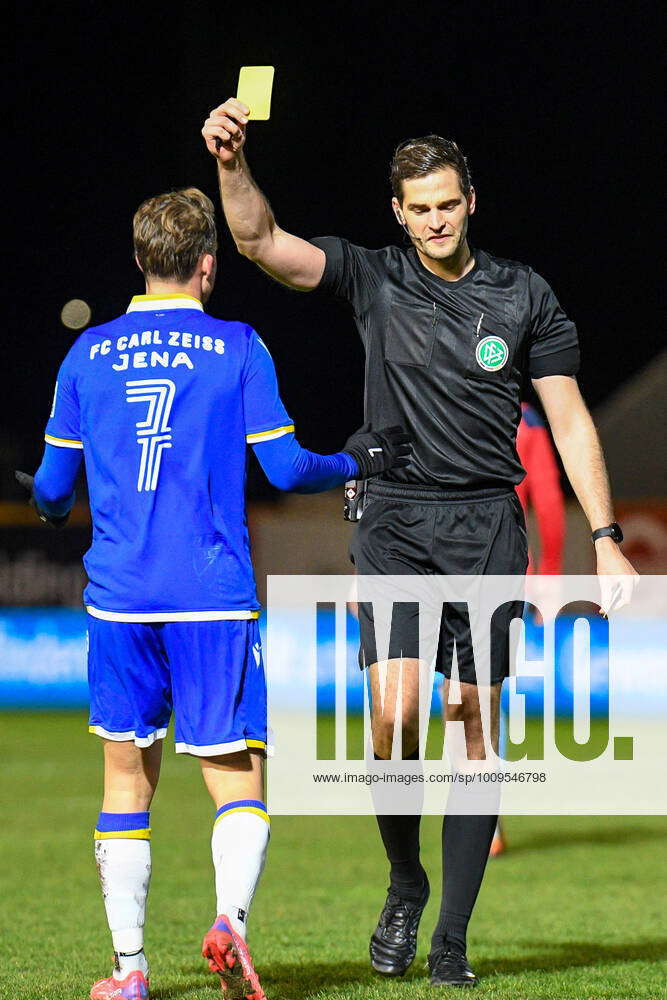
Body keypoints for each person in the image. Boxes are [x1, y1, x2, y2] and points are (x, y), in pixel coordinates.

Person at [201, 101, 638, 989]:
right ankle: (405, 878)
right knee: (395, 717)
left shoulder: (525, 295)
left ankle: (450, 941)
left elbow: (567, 420)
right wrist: (232, 163)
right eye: (419, 207)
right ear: (397, 213)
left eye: (448, 203)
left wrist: (605, 537)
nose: (435, 219)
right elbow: (260, 242)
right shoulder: (373, 276)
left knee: (474, 726)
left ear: (469, 199)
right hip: (395, 519)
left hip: (485, 526)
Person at [17, 188, 411, 1000]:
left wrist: (50, 501)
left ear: (138, 260)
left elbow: (55, 489)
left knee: (125, 783)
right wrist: (360, 462)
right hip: (212, 596)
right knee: (238, 779)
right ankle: (229, 920)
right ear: (207, 264)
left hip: (120, 600)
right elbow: (286, 468)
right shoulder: (236, 344)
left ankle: (129, 974)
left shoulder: (87, 353)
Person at [490, 401, 566, 856]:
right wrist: (551, 576)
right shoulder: (526, 420)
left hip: (433, 563)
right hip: (503, 567)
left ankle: (475, 813)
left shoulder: (431, 392)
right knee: (483, 688)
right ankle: (485, 819)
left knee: (450, 693)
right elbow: (549, 500)